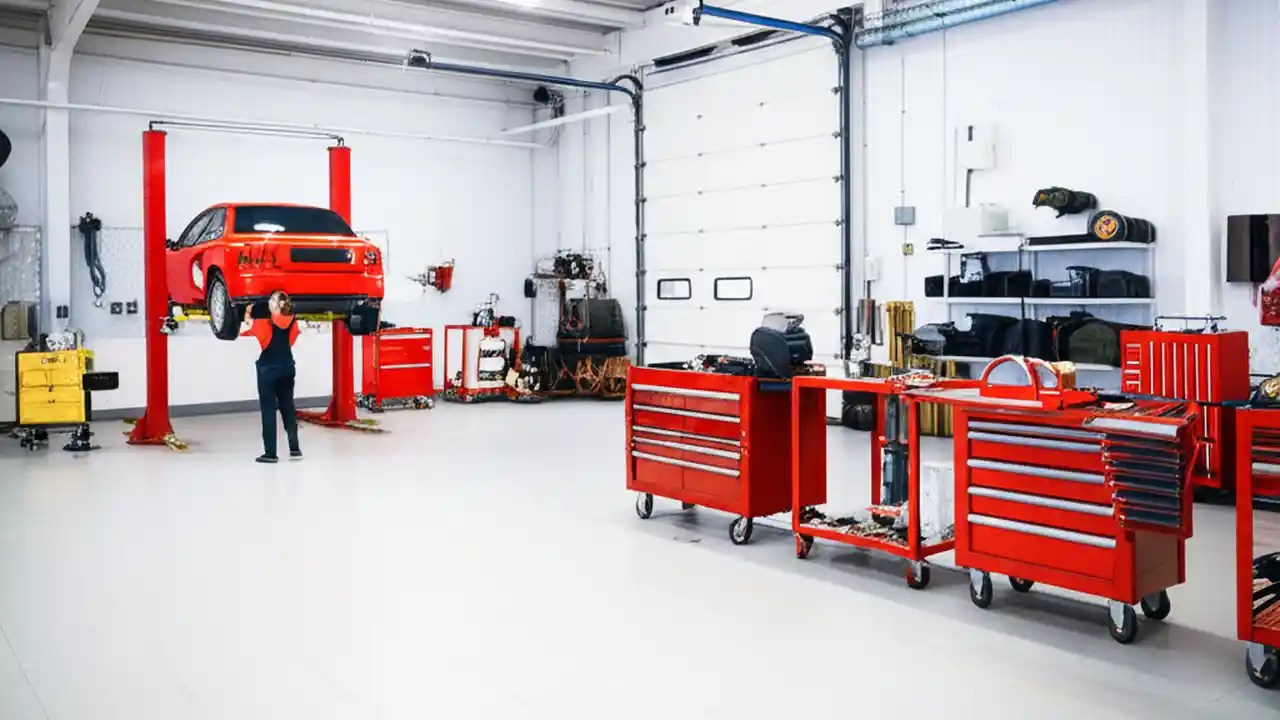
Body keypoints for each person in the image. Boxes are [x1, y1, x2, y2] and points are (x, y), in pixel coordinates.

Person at [242, 290, 302, 463]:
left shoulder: (263, 324)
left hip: (267, 370)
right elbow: (291, 341)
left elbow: (245, 329)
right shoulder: (293, 322)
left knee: (268, 411)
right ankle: (295, 448)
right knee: (288, 408)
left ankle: (270, 453)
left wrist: (247, 310)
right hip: (288, 367)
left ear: (274, 307)